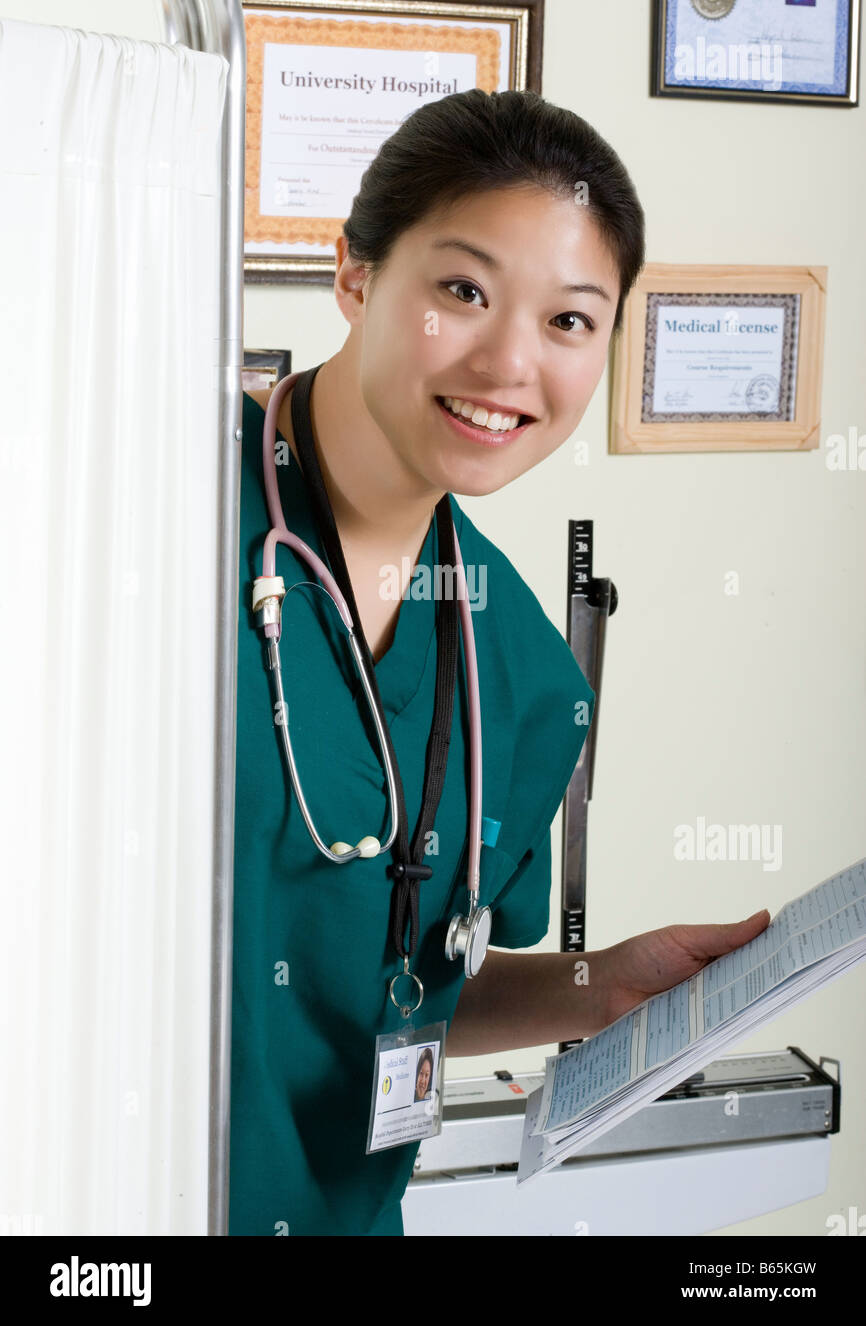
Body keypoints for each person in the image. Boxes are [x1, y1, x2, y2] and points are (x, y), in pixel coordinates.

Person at [228, 88, 770, 1237]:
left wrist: (601, 984)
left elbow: (408, 987)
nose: (509, 362)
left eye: (569, 320)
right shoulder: (136, 516)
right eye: (462, 291)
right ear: (355, 275)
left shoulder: (519, 671)